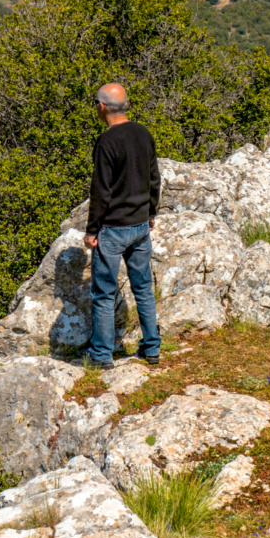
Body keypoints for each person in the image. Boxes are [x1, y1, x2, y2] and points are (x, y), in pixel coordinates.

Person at [84, 82, 160, 368]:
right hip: (141, 225)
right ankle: (151, 348)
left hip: (113, 228)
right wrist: (151, 211)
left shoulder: (107, 141)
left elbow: (101, 191)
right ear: (125, 105)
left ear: (101, 107)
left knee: (103, 293)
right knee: (143, 288)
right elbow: (154, 177)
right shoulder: (143, 133)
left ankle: (102, 356)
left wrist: (92, 231)